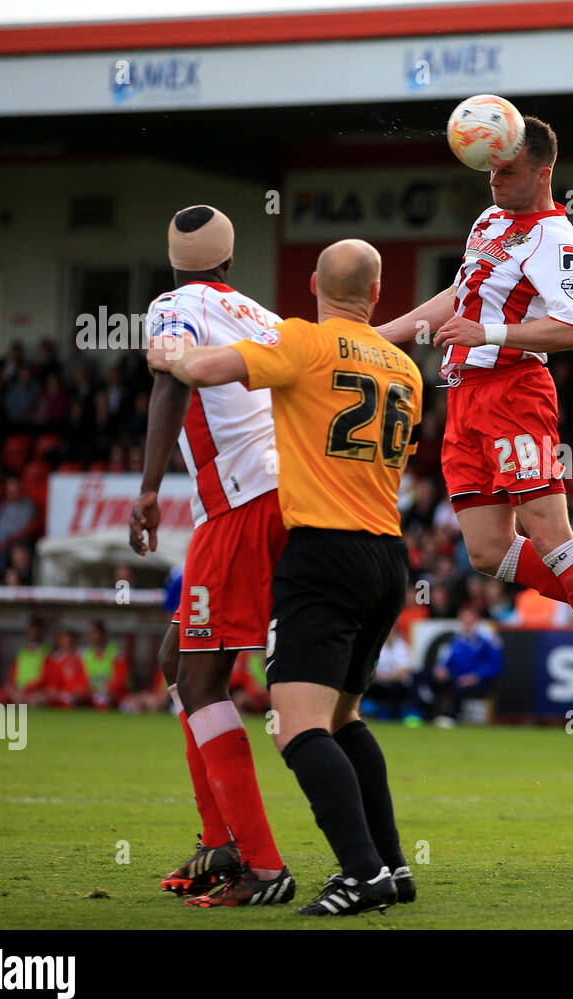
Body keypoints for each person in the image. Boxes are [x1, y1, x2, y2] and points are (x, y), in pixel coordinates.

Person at [374, 116, 573, 758]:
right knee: (487, 553)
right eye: (489, 169)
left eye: (506, 170)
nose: (494, 180)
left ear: (542, 172)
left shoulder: (560, 242)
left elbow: (570, 330)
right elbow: (459, 294)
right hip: (462, 401)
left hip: (515, 396)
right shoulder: (487, 224)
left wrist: (487, 336)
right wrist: (383, 336)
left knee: (551, 535)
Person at [151, 237, 422, 917]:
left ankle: (359, 871)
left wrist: (170, 353)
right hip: (388, 554)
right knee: (345, 716)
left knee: (296, 727)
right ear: (378, 294)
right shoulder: (405, 368)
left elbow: (211, 367)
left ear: (311, 284)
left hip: (323, 552)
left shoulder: (302, 341)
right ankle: (392, 863)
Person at [130, 204, 293, 908]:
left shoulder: (173, 304)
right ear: (229, 263)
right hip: (287, 494)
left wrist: (145, 489)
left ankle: (258, 863)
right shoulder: (264, 316)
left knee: (198, 678)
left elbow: (171, 380)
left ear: (173, 261)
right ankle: (219, 839)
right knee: (178, 660)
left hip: (239, 505)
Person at [427, 603, 504, 726]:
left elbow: (495, 665)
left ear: (476, 619)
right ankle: (425, 714)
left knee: (459, 685)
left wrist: (476, 676)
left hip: (478, 681)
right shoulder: (457, 638)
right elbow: (448, 659)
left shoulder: (488, 638)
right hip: (456, 676)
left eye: (469, 617)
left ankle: (451, 717)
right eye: (463, 617)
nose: (466, 620)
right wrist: (442, 668)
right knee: (424, 676)